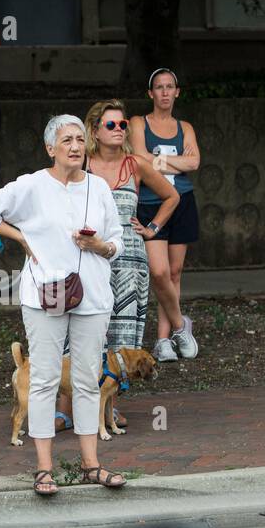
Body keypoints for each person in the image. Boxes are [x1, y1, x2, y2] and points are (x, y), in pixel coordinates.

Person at [0, 115, 127, 497]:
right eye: (66, 140)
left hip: (92, 293)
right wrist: (21, 238)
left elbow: (117, 239)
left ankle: (91, 465)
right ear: (50, 148)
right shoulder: (32, 186)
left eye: (79, 139)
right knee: (43, 379)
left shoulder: (99, 188)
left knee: (89, 379)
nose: (74, 146)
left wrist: (100, 247)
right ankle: (44, 469)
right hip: (45, 293)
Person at [63, 99, 179, 430]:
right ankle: (67, 404)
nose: (118, 130)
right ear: (95, 130)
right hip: (86, 256)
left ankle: (109, 407)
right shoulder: (80, 163)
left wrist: (152, 228)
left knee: (122, 333)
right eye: (111, 125)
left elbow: (172, 196)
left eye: (122, 124)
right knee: (80, 328)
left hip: (129, 259)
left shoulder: (135, 163)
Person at [129, 68, 200, 363]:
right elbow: (137, 157)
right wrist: (175, 162)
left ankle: (164, 340)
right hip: (149, 203)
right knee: (158, 272)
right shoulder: (137, 123)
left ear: (177, 91)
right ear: (151, 93)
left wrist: (156, 161)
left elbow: (194, 163)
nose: (165, 92)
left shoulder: (186, 127)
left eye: (170, 86)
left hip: (182, 201)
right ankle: (182, 326)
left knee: (174, 273)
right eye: (159, 87)